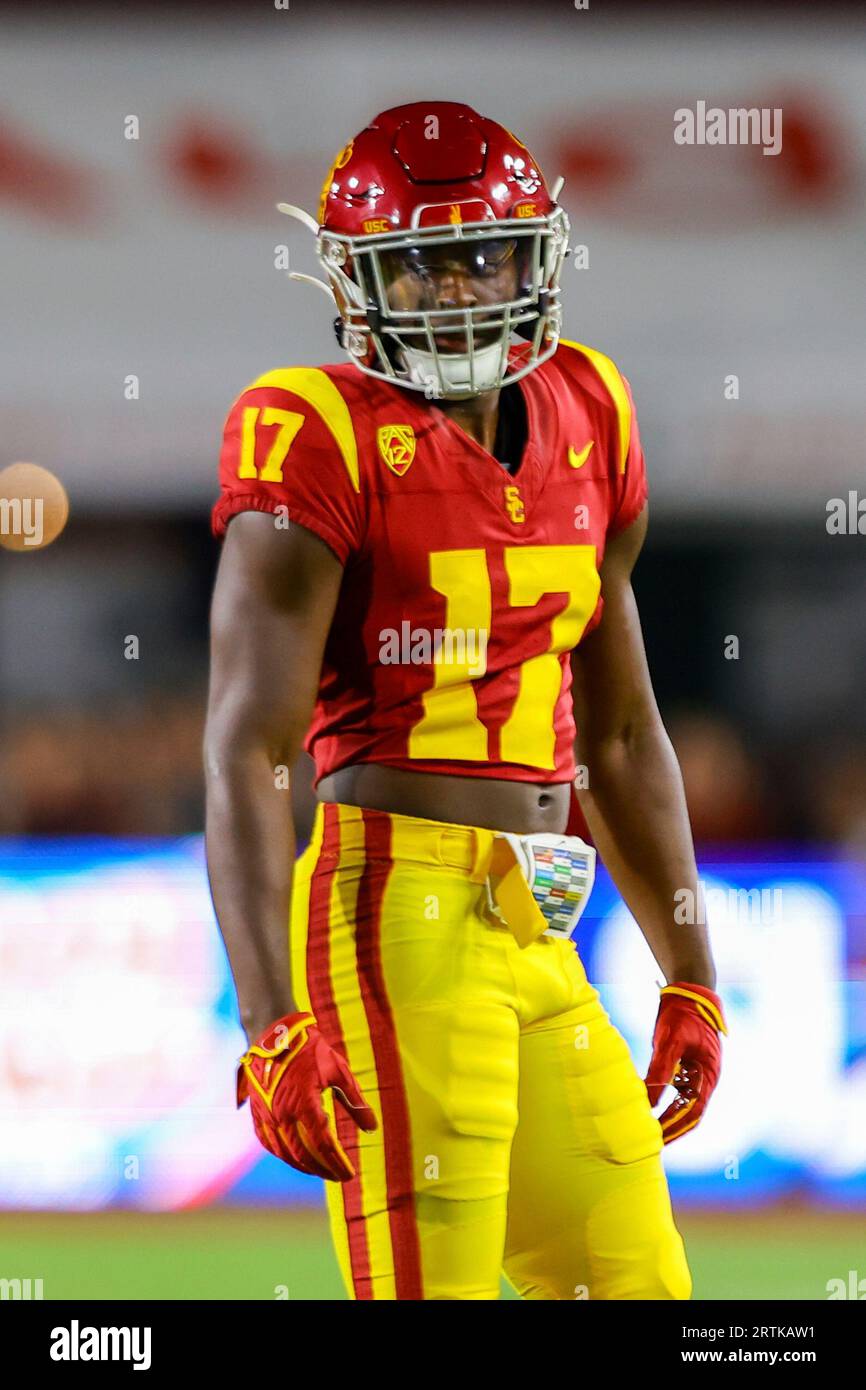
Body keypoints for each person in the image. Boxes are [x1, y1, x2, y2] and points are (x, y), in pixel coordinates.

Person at [204, 101, 725, 1301]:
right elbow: (248, 748)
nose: (454, 293)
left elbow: (622, 731)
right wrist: (270, 1019)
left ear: (534, 257)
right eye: (422, 265)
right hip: (394, 914)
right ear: (353, 283)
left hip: (542, 925)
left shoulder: (592, 409)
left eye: (481, 257)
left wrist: (688, 968)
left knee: (638, 1290)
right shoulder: (313, 428)